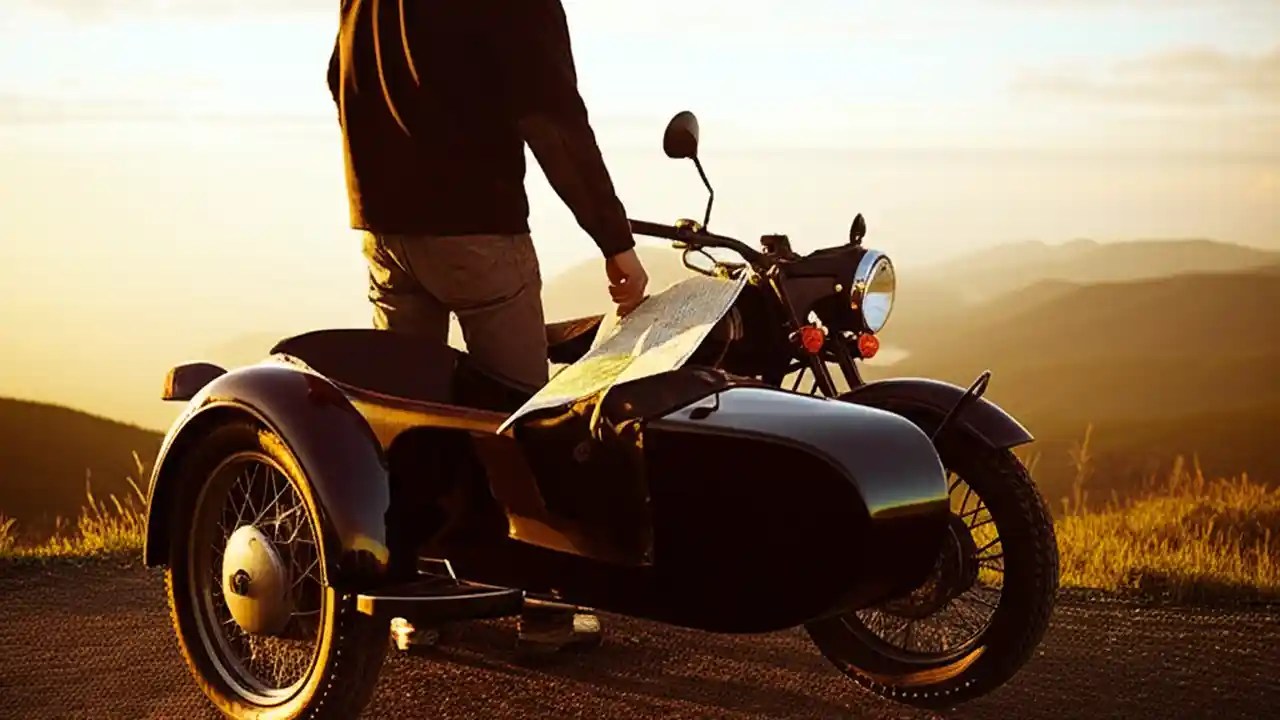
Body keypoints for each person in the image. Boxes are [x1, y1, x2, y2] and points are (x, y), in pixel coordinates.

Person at [327, 0, 648, 653]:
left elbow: (339, 75)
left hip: (385, 230)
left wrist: (378, 175)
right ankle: (543, 605)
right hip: (476, 228)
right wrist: (614, 242)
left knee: (406, 416)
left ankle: (415, 600)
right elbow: (552, 120)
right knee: (525, 414)